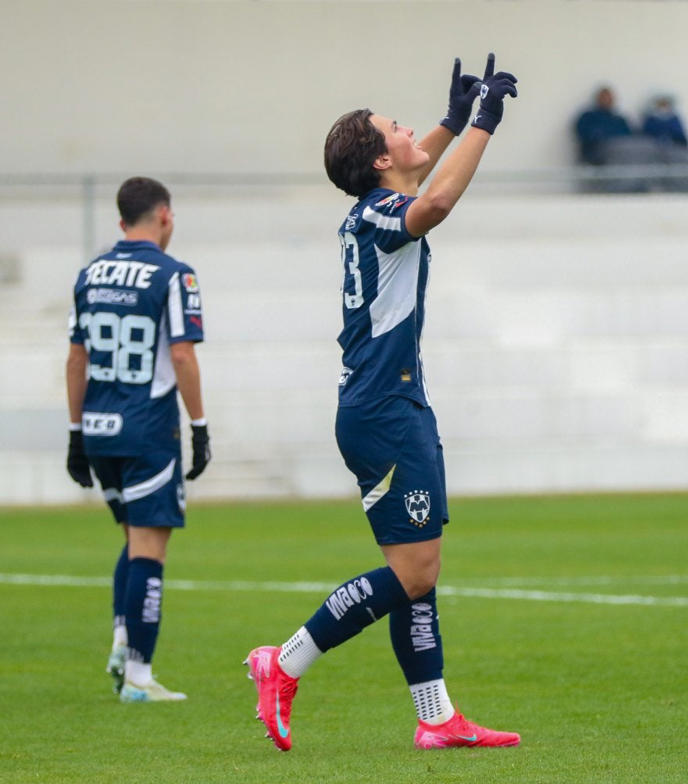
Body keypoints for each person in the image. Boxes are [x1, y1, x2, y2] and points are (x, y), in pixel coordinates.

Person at [244, 54, 521, 752]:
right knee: (414, 572)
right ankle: (285, 661)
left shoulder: (372, 208)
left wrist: (453, 120)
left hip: (388, 407)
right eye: (396, 127)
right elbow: (435, 202)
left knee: (418, 573)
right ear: (377, 162)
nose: (410, 132)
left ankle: (436, 717)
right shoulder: (385, 213)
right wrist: (484, 122)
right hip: (384, 413)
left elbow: (415, 176)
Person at [66, 176, 211, 703]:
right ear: (165, 216)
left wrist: (75, 434)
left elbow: (76, 358)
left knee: (132, 539)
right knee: (151, 549)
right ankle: (138, 677)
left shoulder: (89, 274)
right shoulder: (174, 275)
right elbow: (181, 355)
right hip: (148, 428)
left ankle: (121, 640)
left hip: (99, 429)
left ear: (120, 219)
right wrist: (198, 426)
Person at [575, 85, 633, 165]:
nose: (606, 100)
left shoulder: (619, 120)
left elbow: (628, 138)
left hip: (619, 162)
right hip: (594, 160)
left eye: (609, 97)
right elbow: (584, 134)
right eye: (604, 97)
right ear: (598, 99)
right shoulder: (588, 117)